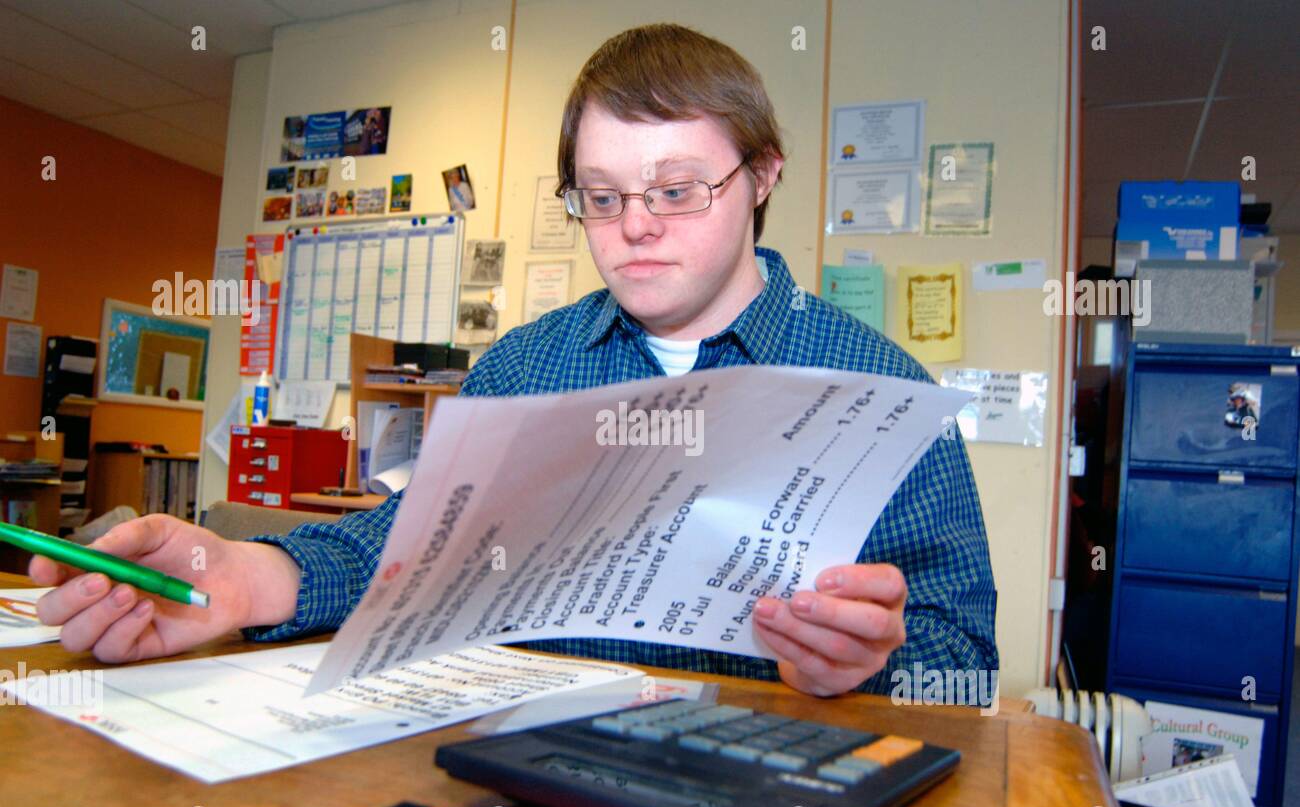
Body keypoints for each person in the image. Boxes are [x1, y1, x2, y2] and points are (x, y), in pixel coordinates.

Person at [33, 23, 997, 699]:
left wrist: (873, 663)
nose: (637, 228)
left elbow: (970, 663)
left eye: (678, 188)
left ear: (764, 176)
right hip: (530, 791)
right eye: (602, 197)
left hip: (762, 804)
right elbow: (404, 552)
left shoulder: (881, 391)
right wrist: (237, 573)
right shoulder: (524, 370)